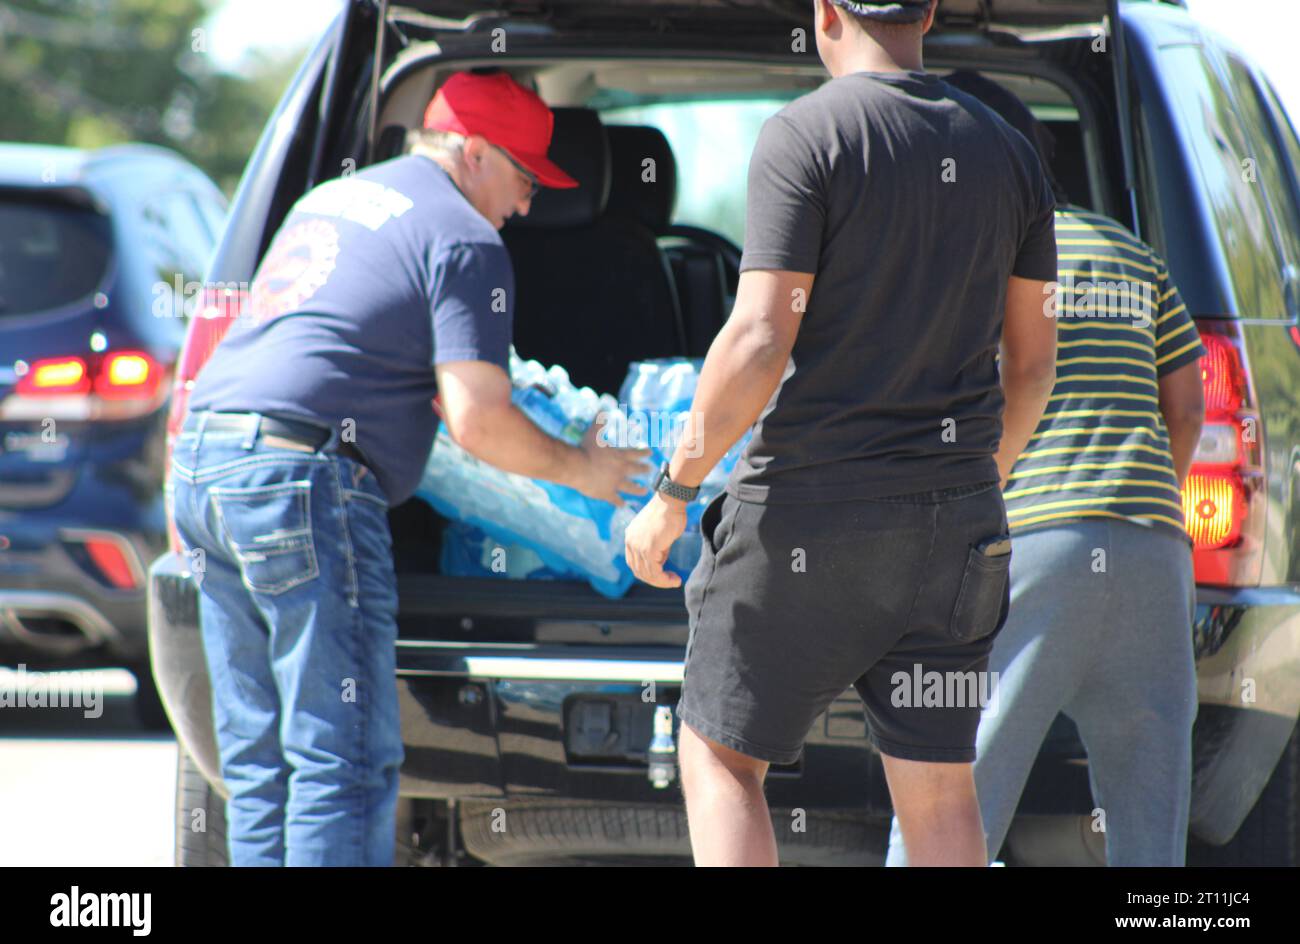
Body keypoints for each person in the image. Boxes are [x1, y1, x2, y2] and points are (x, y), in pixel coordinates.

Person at [170, 70, 649, 866]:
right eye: (526, 176)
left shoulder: (327, 199)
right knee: (341, 762)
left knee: (260, 769)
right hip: (302, 482)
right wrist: (586, 470)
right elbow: (479, 421)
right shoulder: (463, 236)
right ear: (472, 152)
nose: (528, 203)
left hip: (206, 468)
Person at [623, 0, 1059, 866]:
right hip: (958, 535)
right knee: (938, 794)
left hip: (809, 520)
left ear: (825, 13)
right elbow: (1034, 367)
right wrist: (978, 480)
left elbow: (757, 339)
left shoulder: (806, 136)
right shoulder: (1011, 153)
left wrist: (672, 494)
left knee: (717, 755)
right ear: (930, 11)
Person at [885, 71, 1207, 867]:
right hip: (1154, 559)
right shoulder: (1133, 255)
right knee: (1149, 828)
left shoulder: (982, 257)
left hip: (1029, 547)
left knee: (951, 799)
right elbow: (1190, 407)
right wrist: (1138, 500)